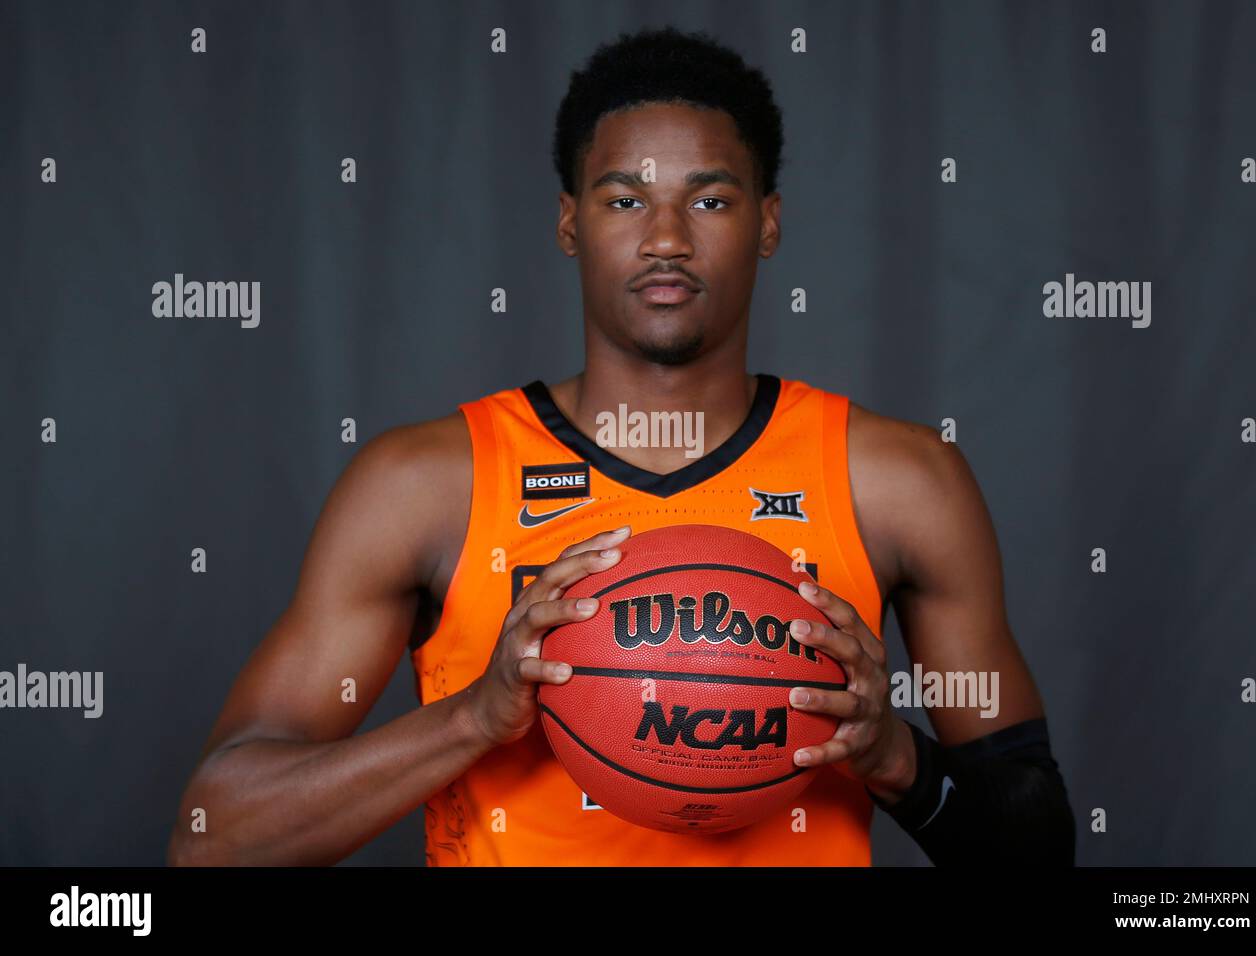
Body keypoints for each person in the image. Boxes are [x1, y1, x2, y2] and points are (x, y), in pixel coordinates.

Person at [167, 25, 1074, 867]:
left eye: (710, 198)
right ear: (570, 223)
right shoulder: (426, 486)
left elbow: (1039, 852)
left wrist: (895, 757)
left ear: (768, 221)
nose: (668, 238)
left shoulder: (899, 482)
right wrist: (473, 721)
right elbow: (210, 839)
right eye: (625, 198)